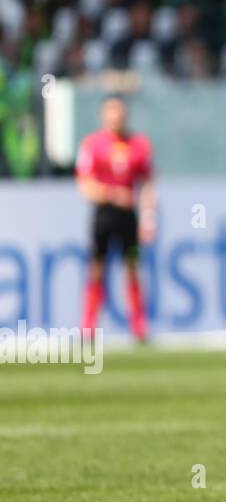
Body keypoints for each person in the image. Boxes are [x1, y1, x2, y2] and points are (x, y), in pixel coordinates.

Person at [75, 95, 155, 342]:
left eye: (119, 112)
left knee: (131, 267)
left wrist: (148, 217)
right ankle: (88, 326)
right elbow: (84, 184)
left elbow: (148, 183)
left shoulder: (139, 145)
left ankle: (139, 326)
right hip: (104, 215)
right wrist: (112, 194)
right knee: (97, 268)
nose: (116, 117)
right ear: (104, 115)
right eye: (111, 112)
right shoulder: (92, 144)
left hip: (128, 216)